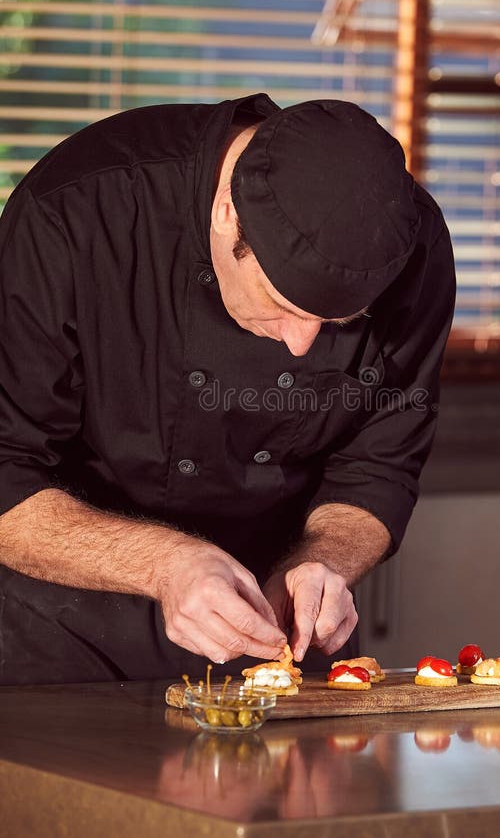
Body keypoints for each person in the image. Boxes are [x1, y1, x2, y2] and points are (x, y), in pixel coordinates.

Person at [0, 93, 455, 685]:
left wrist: (321, 564)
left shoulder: (411, 250)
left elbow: (377, 470)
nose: (300, 345)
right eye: (281, 307)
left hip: (276, 641)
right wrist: (165, 565)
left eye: (336, 326)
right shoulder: (74, 213)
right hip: (65, 637)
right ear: (226, 214)